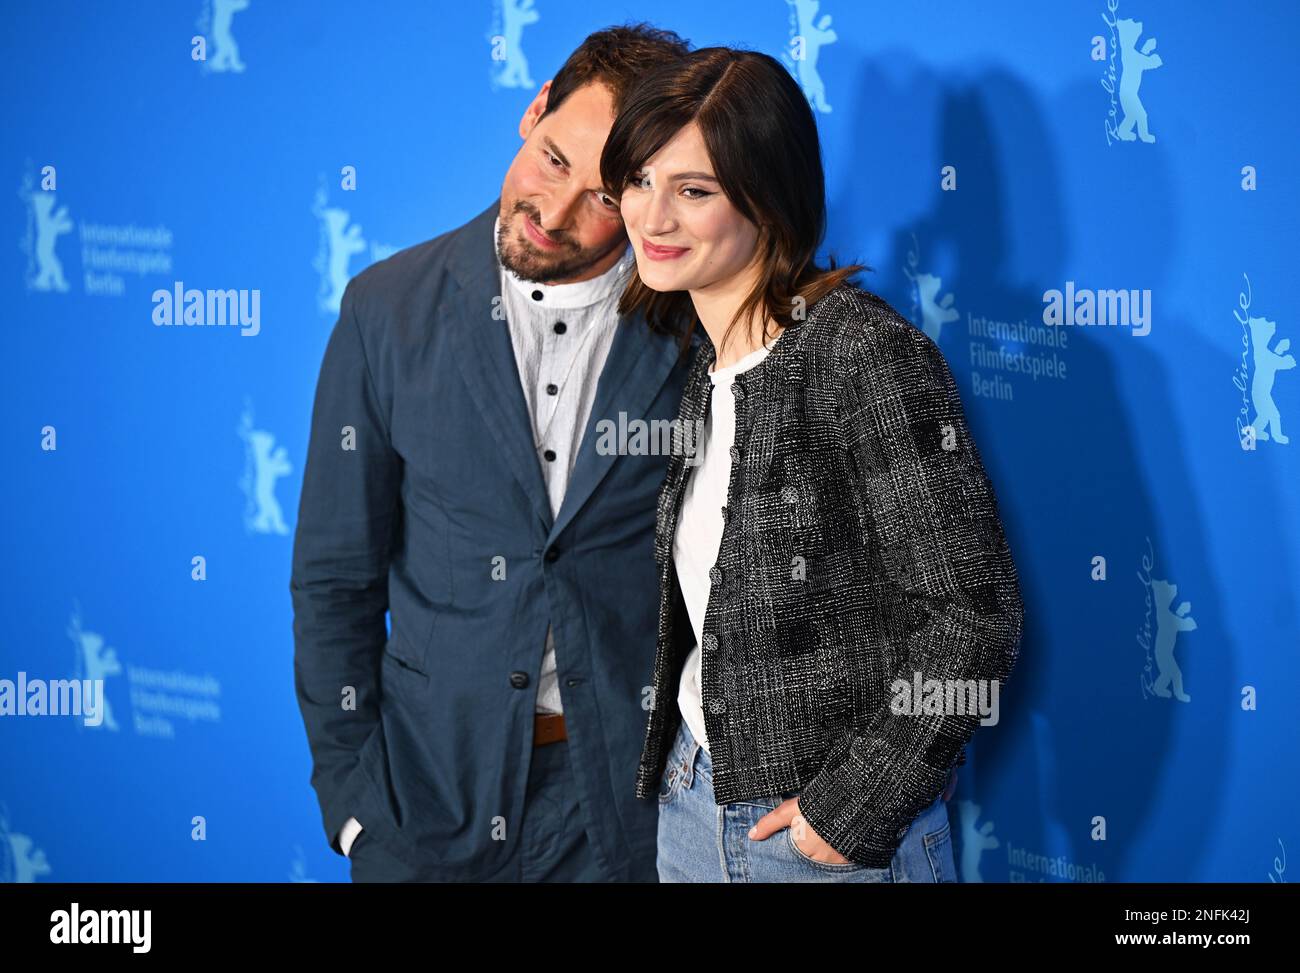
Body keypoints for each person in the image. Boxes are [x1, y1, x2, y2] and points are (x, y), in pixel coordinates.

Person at [599, 47, 1025, 882]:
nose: (651, 216)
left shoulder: (860, 353)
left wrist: (853, 807)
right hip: (691, 803)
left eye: (694, 190)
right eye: (641, 180)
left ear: (768, 198)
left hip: (816, 841)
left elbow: (975, 617)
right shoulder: (708, 364)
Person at [291, 23, 693, 882]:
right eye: (553, 159)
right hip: (424, 803)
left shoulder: (696, 328)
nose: (554, 213)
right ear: (534, 109)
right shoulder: (386, 308)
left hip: (626, 815)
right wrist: (354, 807)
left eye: (603, 196)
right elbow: (334, 578)